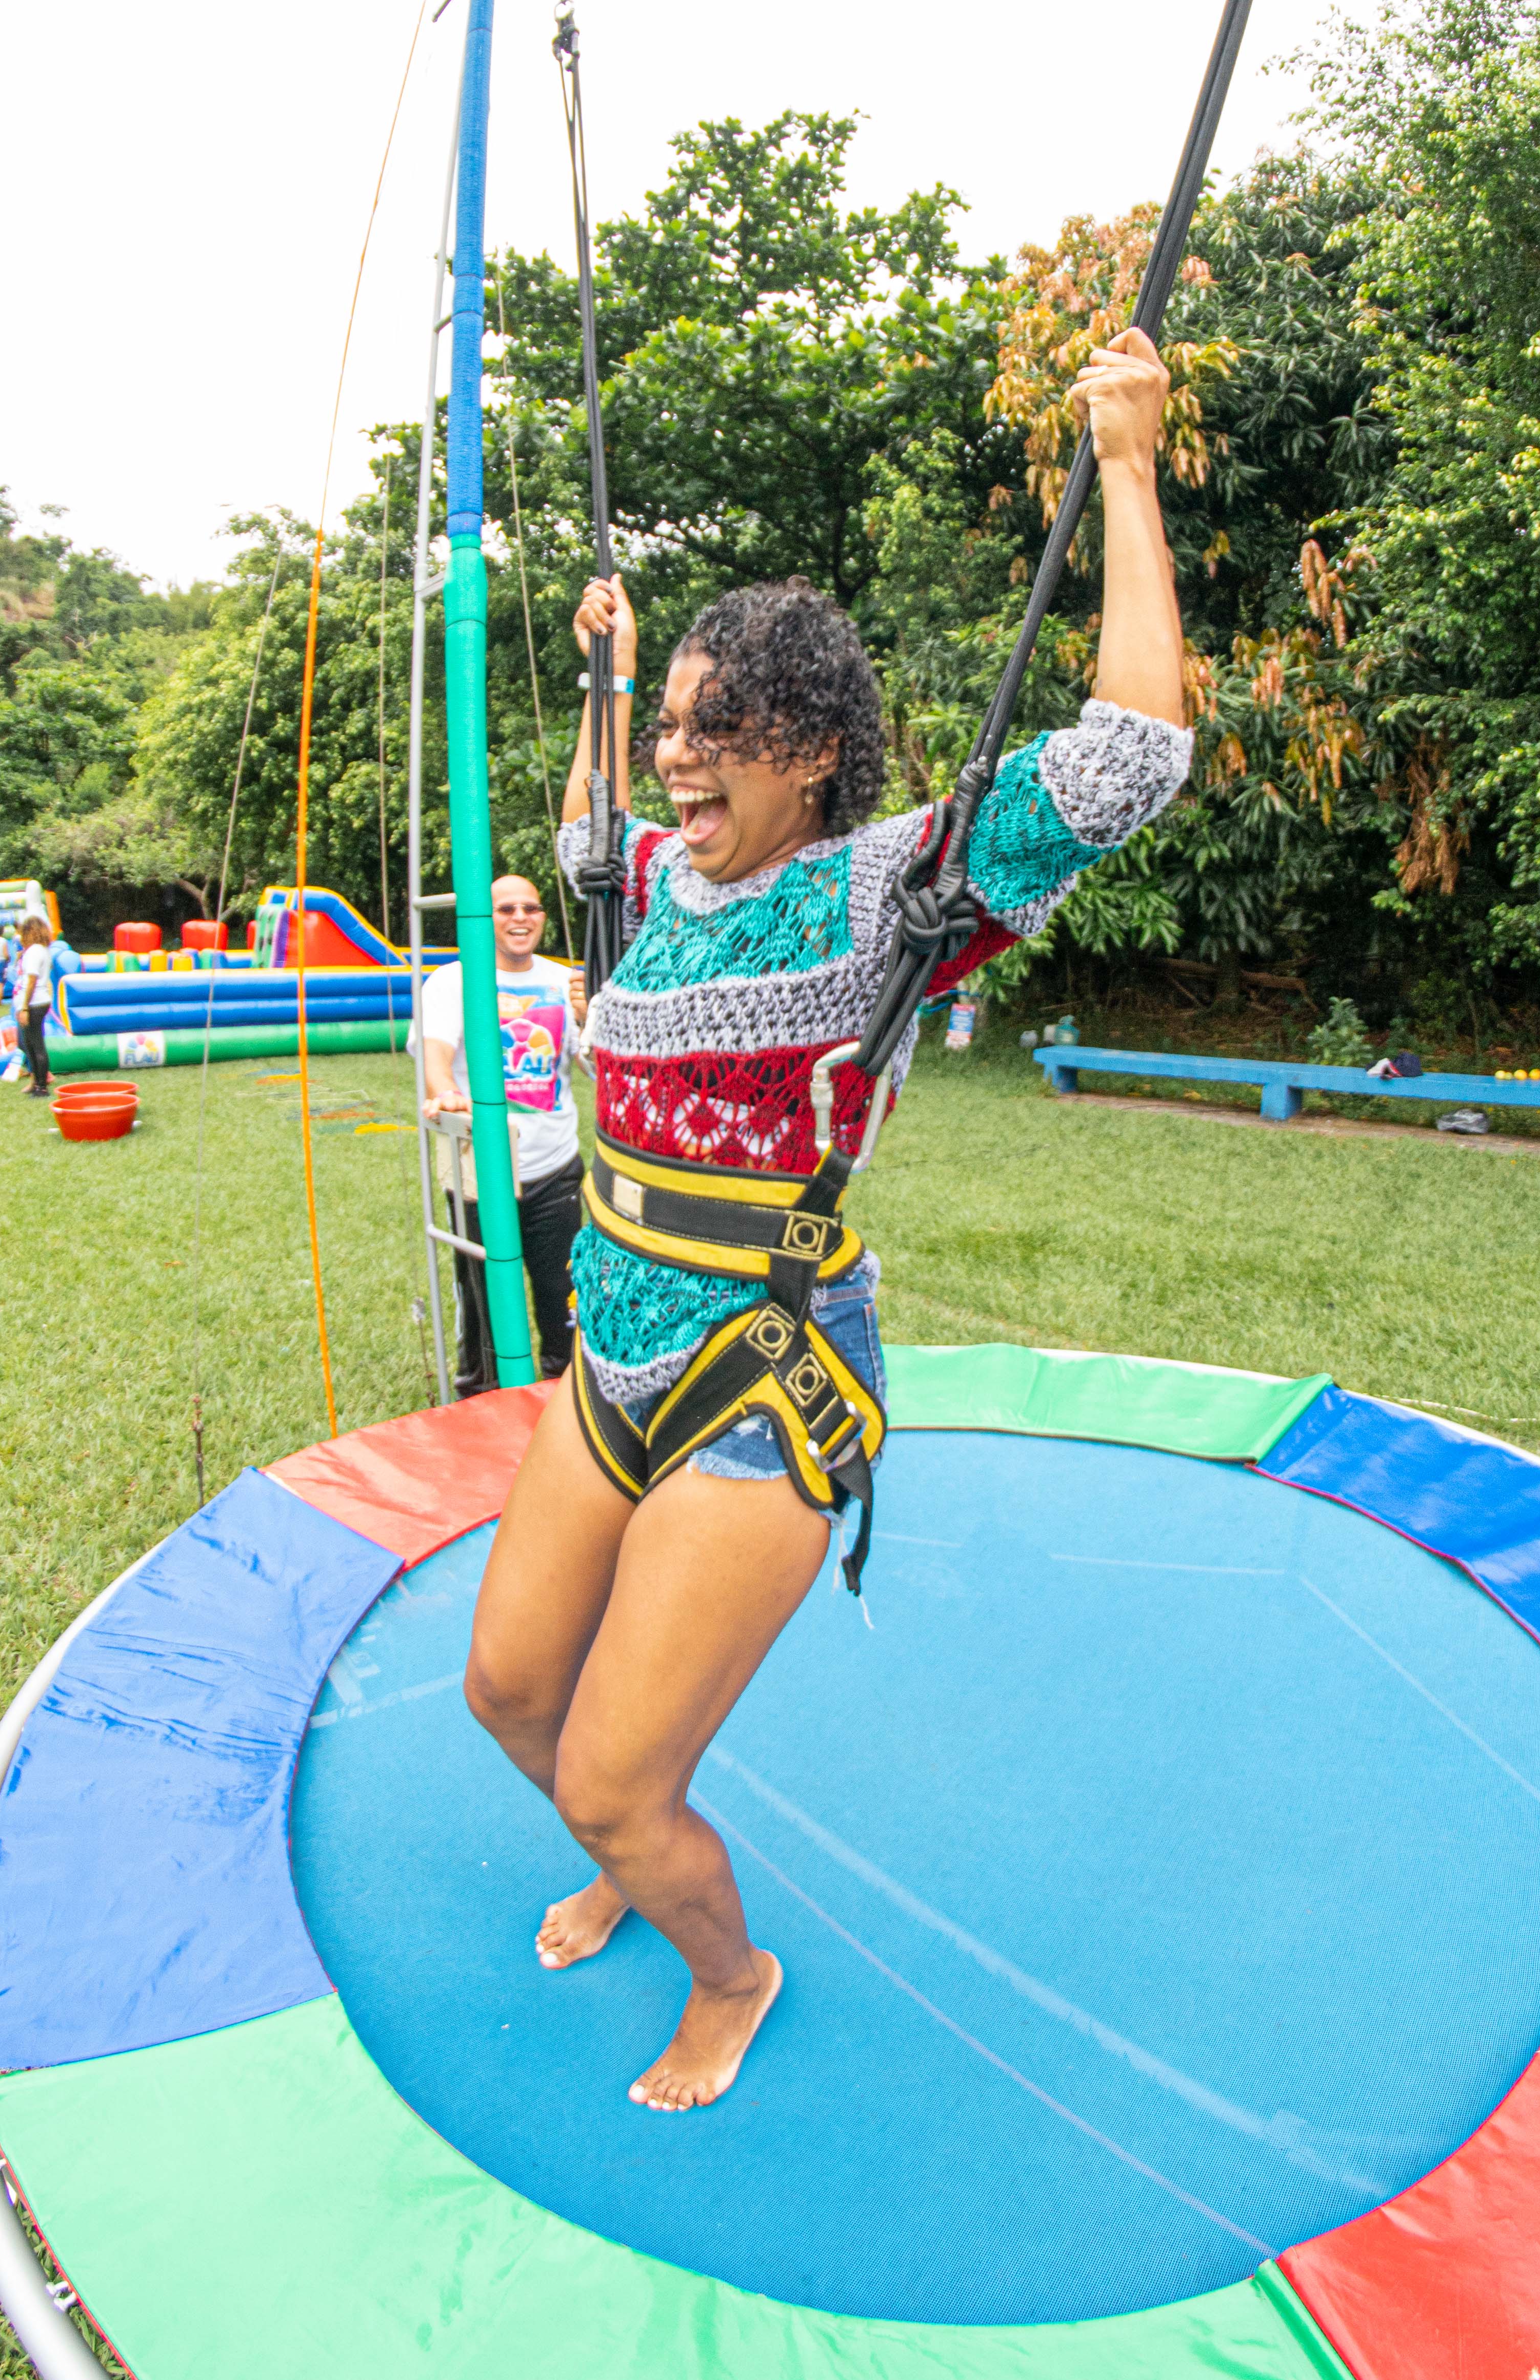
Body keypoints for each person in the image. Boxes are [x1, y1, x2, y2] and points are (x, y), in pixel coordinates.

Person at [461, 328, 1192, 2115]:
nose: (684, 768)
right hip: (605, 1360)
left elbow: (1134, 757)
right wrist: (609, 687)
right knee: (509, 1700)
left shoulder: (891, 896)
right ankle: (622, 1850)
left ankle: (729, 1968)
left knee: (623, 1775)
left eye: (725, 733)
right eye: (684, 731)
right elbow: (580, 843)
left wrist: (1123, 467)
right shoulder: (656, 874)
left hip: (758, 1374)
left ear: (816, 756)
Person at [419, 877, 588, 1388]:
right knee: (483, 1299)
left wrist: (589, 1020)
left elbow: (600, 1071)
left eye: (531, 908)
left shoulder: (565, 984)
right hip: (479, 1164)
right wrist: (447, 1094)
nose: (520, 918)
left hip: (554, 1166)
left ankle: (564, 1394)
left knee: (562, 1292)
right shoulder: (452, 981)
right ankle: (480, 1400)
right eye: (505, 908)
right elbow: (436, 1058)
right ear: (482, 918)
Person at [14, 916, 53, 1098]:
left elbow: (31, 981)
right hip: (39, 1001)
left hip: (34, 1002)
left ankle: (42, 1087)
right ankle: (37, 1082)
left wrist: (25, 1008)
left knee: (36, 1045)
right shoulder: (43, 950)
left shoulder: (34, 952)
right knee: (29, 1044)